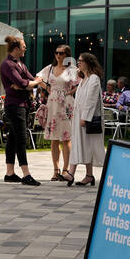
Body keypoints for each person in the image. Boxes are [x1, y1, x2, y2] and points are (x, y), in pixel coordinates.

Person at [0, 35, 44, 185]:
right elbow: (23, 82)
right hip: (14, 105)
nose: (26, 48)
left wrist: (31, 83)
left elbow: (30, 81)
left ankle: (10, 173)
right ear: (17, 48)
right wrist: (27, 84)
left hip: (22, 104)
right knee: (21, 138)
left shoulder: (20, 64)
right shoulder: (8, 64)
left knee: (13, 138)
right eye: (24, 46)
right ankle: (26, 174)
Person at [37, 44, 79, 182]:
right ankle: (55, 171)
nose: (58, 55)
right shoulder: (50, 68)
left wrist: (70, 92)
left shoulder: (72, 69)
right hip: (53, 103)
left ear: (67, 55)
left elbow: (80, 83)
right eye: (56, 53)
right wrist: (48, 88)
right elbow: (37, 78)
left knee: (66, 138)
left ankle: (66, 170)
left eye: (61, 53)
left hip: (66, 103)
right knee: (54, 138)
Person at [69, 52, 106, 186]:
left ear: (88, 63)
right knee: (85, 145)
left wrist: (85, 118)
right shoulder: (84, 79)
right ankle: (89, 175)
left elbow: (91, 101)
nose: (78, 63)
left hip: (87, 118)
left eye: (81, 61)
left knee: (87, 145)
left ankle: (71, 173)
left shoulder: (94, 79)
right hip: (79, 116)